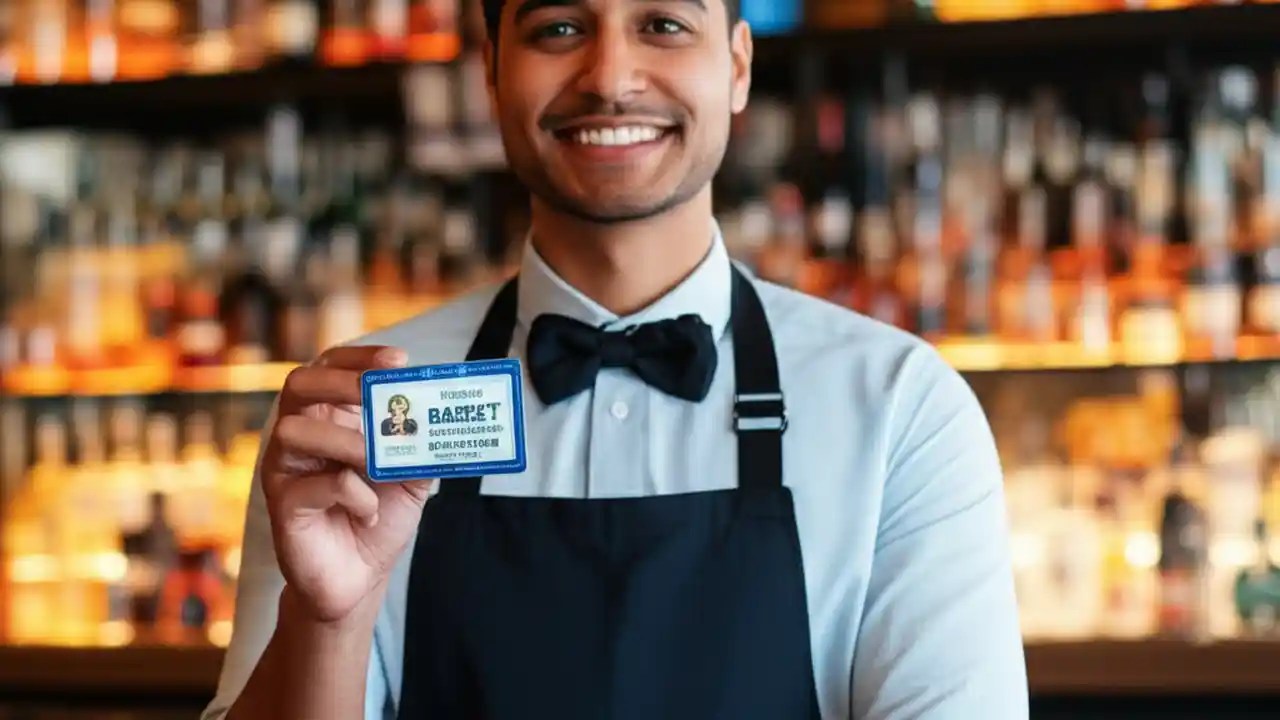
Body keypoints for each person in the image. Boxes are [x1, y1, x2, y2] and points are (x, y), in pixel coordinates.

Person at [204, 0, 1029, 718]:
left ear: (737, 67)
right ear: (490, 72)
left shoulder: (899, 410)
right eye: (559, 27)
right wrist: (327, 623)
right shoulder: (357, 411)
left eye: (663, 24)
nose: (610, 75)